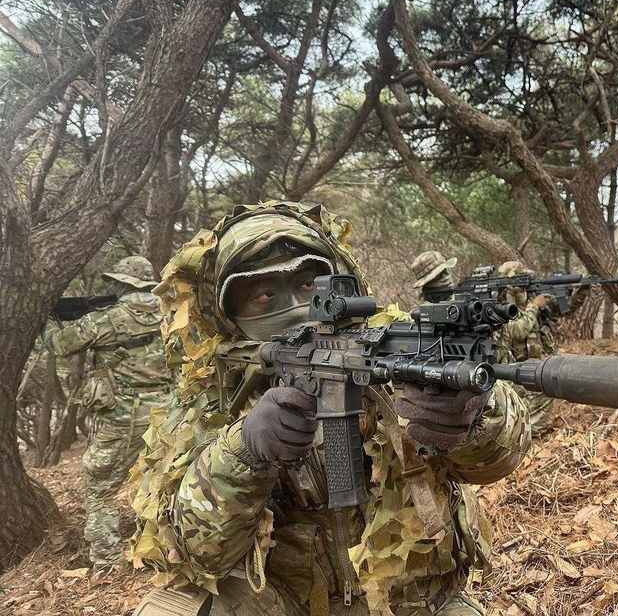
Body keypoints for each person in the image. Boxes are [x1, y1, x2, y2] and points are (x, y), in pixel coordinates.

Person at [130, 202, 531, 615]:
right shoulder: (210, 396)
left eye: (309, 285)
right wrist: (241, 452)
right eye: (264, 294)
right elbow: (187, 555)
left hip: (409, 604)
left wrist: (475, 413)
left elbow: (502, 458)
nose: (295, 305)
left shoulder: (395, 344)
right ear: (228, 314)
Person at [43, 255, 175, 570]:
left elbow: (61, 345)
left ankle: (107, 561)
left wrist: (44, 321)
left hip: (124, 416)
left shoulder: (107, 318)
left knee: (100, 487)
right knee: (166, 479)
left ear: (122, 283)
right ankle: (169, 551)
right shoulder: (172, 312)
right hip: (170, 410)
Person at [492, 261, 586, 436]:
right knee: (540, 392)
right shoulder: (502, 306)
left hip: (535, 362)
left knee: (545, 388)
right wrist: (534, 306)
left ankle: (528, 429)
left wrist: (581, 292)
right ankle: (530, 434)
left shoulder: (531, 298)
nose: (522, 290)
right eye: (519, 286)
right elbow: (517, 331)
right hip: (514, 369)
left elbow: (563, 310)